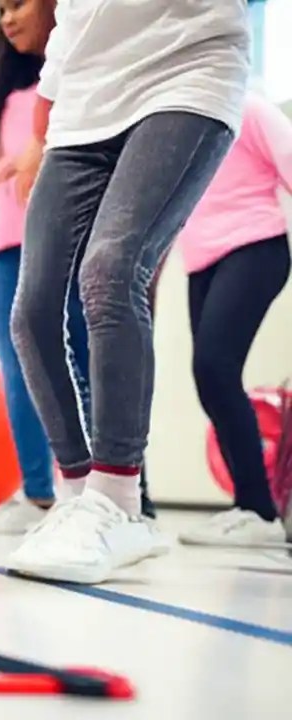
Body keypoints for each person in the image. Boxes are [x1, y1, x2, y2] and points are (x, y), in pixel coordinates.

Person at [6, 0, 249, 584]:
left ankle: (118, 498)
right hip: (81, 108)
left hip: (185, 77)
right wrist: (42, 126)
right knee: (32, 313)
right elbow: (74, 23)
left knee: (111, 272)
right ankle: (77, 497)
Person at [0, 0, 162, 535]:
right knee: (23, 371)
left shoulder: (82, 81)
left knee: (93, 362)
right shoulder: (7, 97)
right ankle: (39, 491)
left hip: (75, 237)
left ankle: (124, 490)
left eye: (19, 5)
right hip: (10, 245)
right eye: (0, 10)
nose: (8, 19)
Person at [175, 94, 291, 547]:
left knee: (215, 369)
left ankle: (259, 512)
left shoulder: (250, 109)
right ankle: (248, 506)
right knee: (209, 380)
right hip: (203, 261)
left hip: (256, 246)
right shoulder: (180, 122)